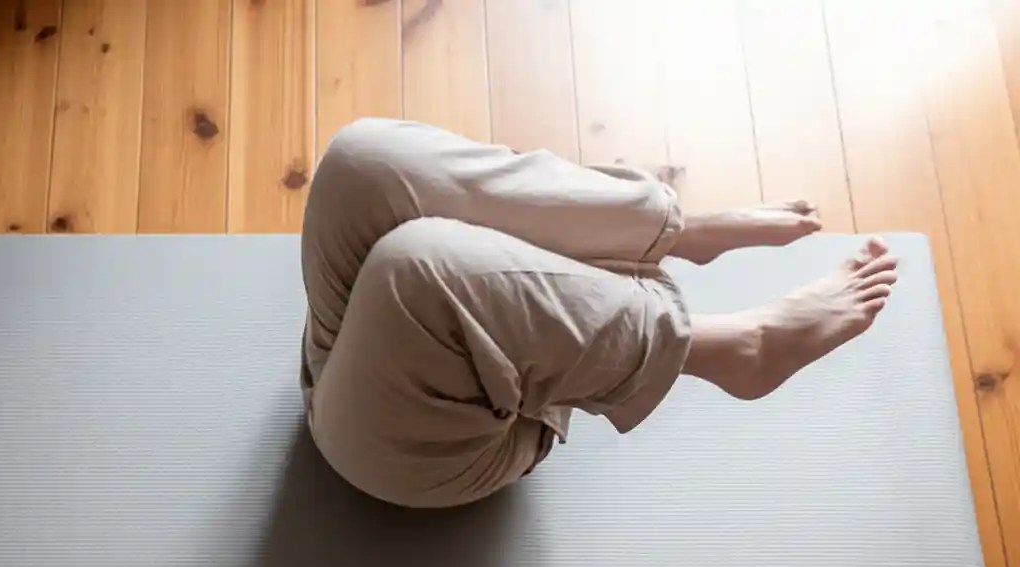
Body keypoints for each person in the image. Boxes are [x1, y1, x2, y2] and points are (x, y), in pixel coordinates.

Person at [300, 119, 898, 509]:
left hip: (337, 353)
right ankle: (734, 350)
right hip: (406, 455)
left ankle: (675, 232)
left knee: (359, 161)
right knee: (416, 267)